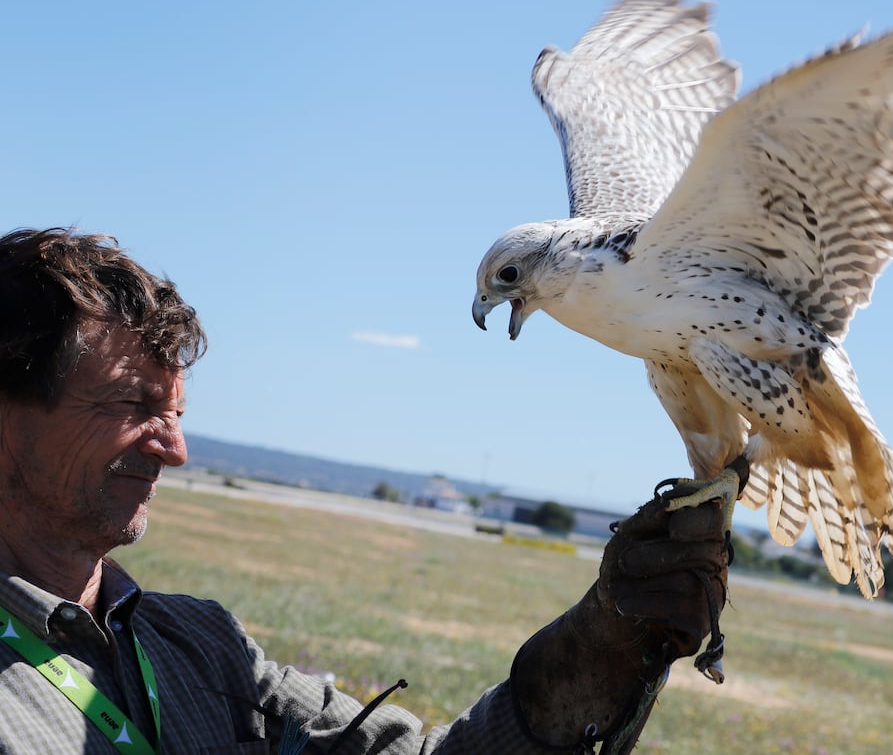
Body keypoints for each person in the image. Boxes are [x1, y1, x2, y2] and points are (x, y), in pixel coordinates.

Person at [0, 227, 731, 753]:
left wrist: (605, 642)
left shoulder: (198, 647)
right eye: (132, 408)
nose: (177, 450)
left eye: (177, 415)